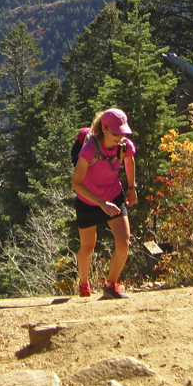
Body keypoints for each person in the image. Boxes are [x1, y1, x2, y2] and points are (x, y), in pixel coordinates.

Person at [72, 107, 137, 299]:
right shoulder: (90, 148)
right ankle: (84, 285)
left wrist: (132, 188)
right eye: (116, 132)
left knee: (123, 243)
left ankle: (111, 285)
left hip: (114, 197)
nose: (120, 136)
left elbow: (129, 162)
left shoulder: (124, 145)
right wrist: (101, 203)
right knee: (87, 246)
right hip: (88, 201)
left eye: (122, 131)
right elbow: (76, 183)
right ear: (105, 129)